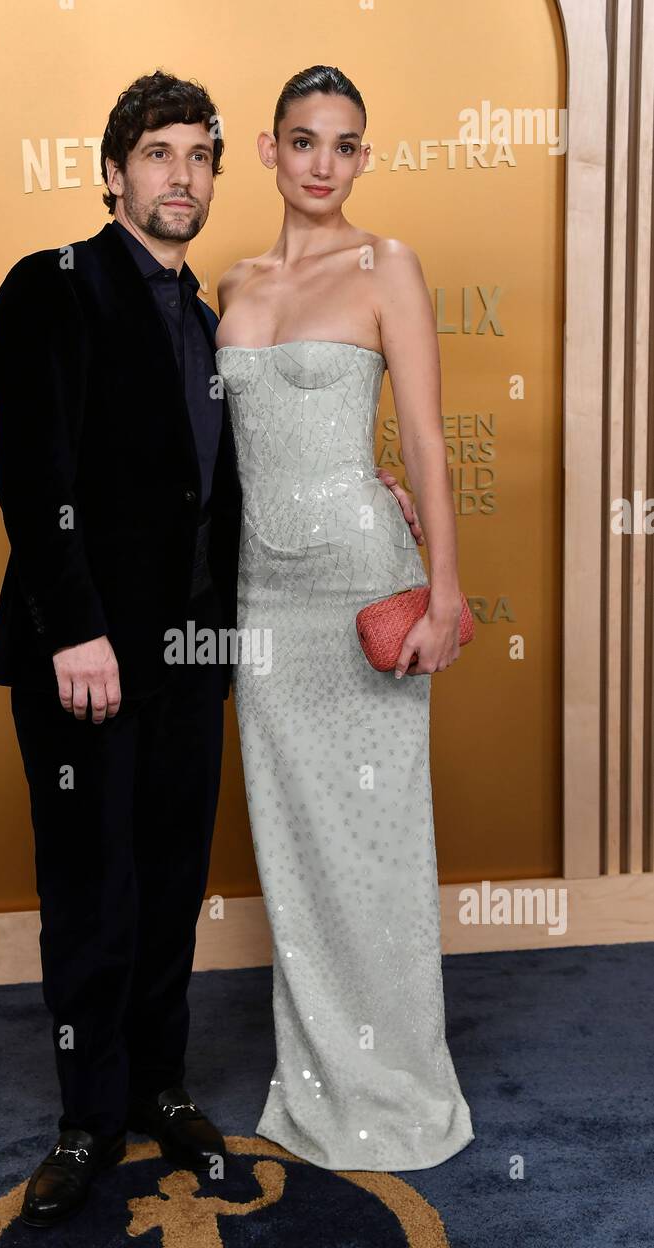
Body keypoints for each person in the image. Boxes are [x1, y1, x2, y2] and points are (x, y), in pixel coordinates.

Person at [0, 71, 245, 1227]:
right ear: (113, 172)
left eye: (198, 155)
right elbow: (32, 472)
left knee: (172, 878)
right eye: (157, 153)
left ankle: (160, 1085)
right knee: (92, 890)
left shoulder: (208, 321)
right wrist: (76, 628)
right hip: (83, 655)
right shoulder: (55, 288)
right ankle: (88, 1118)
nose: (180, 174)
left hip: (191, 654)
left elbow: (227, 490)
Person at [215, 65, 475, 1170]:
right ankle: (317, 1081)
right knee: (296, 853)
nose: (325, 164)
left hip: (363, 586)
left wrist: (450, 586)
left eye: (346, 145)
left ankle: (400, 1081)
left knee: (377, 847)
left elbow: (423, 437)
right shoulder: (229, 284)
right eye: (305, 141)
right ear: (271, 151)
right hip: (262, 601)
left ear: (364, 157)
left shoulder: (389, 265)